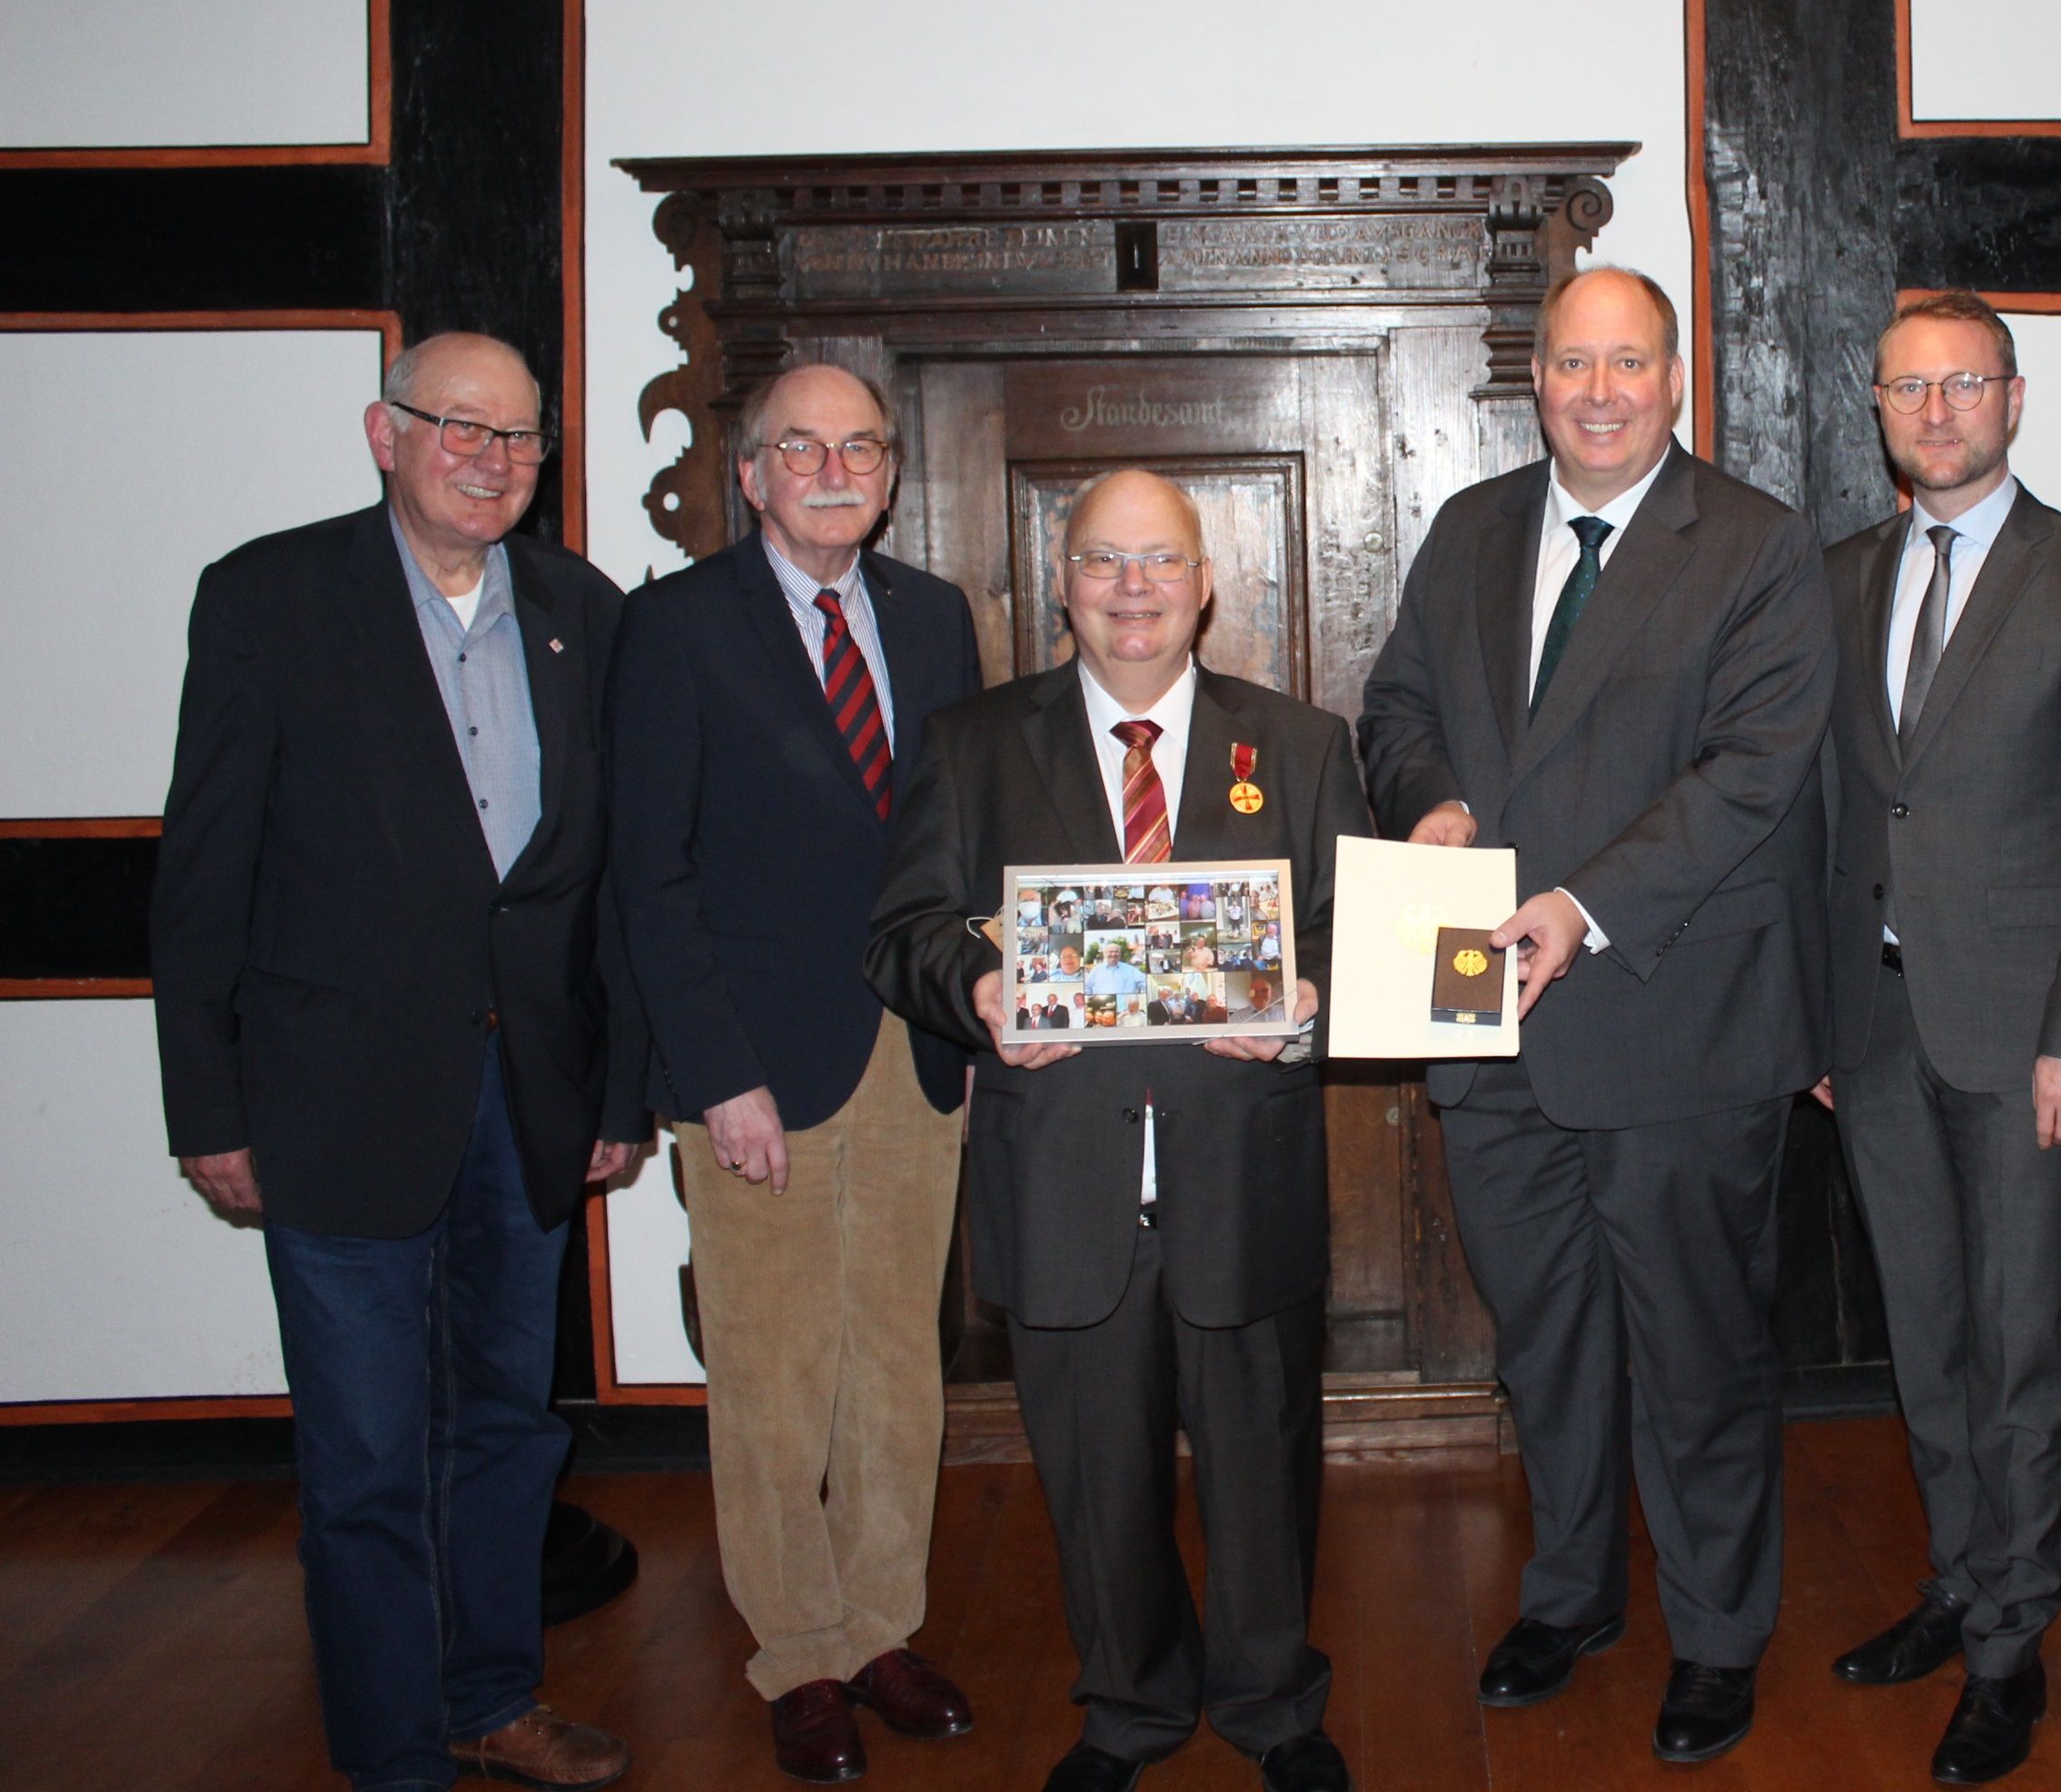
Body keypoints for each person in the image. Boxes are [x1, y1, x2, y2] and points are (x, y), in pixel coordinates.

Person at [1359, 264, 1837, 1765]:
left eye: (1631, 362)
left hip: (1669, 1020)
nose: (1603, 390)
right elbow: (1397, 707)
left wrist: (1585, 902)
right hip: (1483, 1027)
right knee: (1547, 1343)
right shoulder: (1470, 530)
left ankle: (1715, 1633)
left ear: (1676, 378)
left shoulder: (1756, 544)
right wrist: (1425, 798)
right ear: (1539, 381)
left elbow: (1755, 771)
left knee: (1696, 1354)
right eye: (1576, 364)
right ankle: (1570, 1594)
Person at [152, 333, 641, 1792]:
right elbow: (202, 876)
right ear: (386, 433)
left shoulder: (581, 610)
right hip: (332, 1101)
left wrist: (618, 1094)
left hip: (531, 1102)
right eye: (458, 428)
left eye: (520, 438)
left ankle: (490, 1696)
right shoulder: (268, 599)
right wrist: (208, 1105)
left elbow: (600, 880)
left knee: (506, 1426)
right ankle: (392, 1755)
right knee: (365, 1460)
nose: (492, 459)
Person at [866, 470, 1372, 1792]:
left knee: (1263, 1463)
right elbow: (905, 931)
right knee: (1095, 1473)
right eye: (1103, 562)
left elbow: (1351, 936)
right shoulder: (970, 744)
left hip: (1241, 1170)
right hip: (1062, 1179)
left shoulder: (1304, 745)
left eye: (1159, 562)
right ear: (1063, 585)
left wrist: (1307, 999)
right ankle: (1130, 1710)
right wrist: (973, 990)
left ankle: (1273, 1706)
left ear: (1206, 586)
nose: (1133, 588)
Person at [606, 363, 985, 1784]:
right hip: (757, 1064)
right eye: (801, 447)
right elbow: (650, 873)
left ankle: (885, 1625)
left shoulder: (934, 619)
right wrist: (713, 1072)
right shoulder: (676, 628)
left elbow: (961, 845)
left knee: (900, 1362)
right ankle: (800, 1652)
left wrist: (990, 1005)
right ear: (751, 474)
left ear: (889, 474)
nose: (835, 469)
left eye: (861, 447)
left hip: (916, 1051)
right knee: (772, 1372)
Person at [1813, 291, 2061, 1785]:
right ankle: (1961, 1583)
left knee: (2022, 1347)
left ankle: (2014, 1645)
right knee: (1929, 1339)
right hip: (1875, 1030)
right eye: (1908, 388)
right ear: (1876, 410)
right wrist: (1816, 1017)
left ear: (2015, 400)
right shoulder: (1835, 579)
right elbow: (1826, 816)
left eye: (1965, 384)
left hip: (2027, 1036)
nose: (1936, 411)